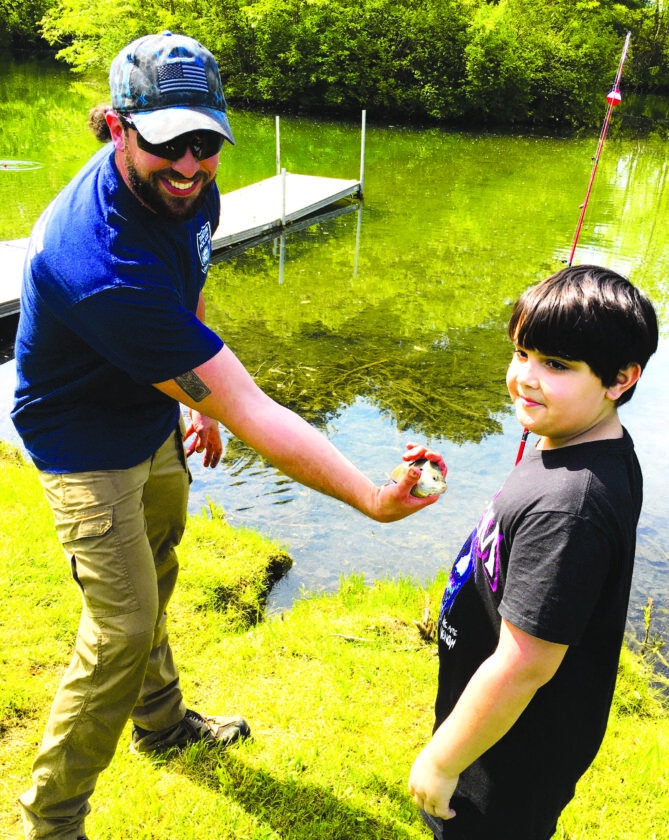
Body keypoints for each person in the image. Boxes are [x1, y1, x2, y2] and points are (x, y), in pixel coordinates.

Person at [12, 32, 445, 840]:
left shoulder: (189, 192)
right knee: (122, 629)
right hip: (81, 439)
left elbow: (190, 297)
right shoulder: (96, 262)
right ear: (115, 127)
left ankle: (163, 723)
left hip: (150, 411)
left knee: (161, 569)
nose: (190, 163)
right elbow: (256, 410)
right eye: (168, 142)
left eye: (205, 141)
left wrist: (192, 404)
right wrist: (366, 499)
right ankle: (51, 822)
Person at [408, 265, 658, 840]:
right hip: (494, 727)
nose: (525, 378)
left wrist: (443, 760)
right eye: (522, 352)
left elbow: (524, 664)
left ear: (620, 378)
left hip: (507, 759)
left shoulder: (572, 507)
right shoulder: (583, 442)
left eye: (557, 365)